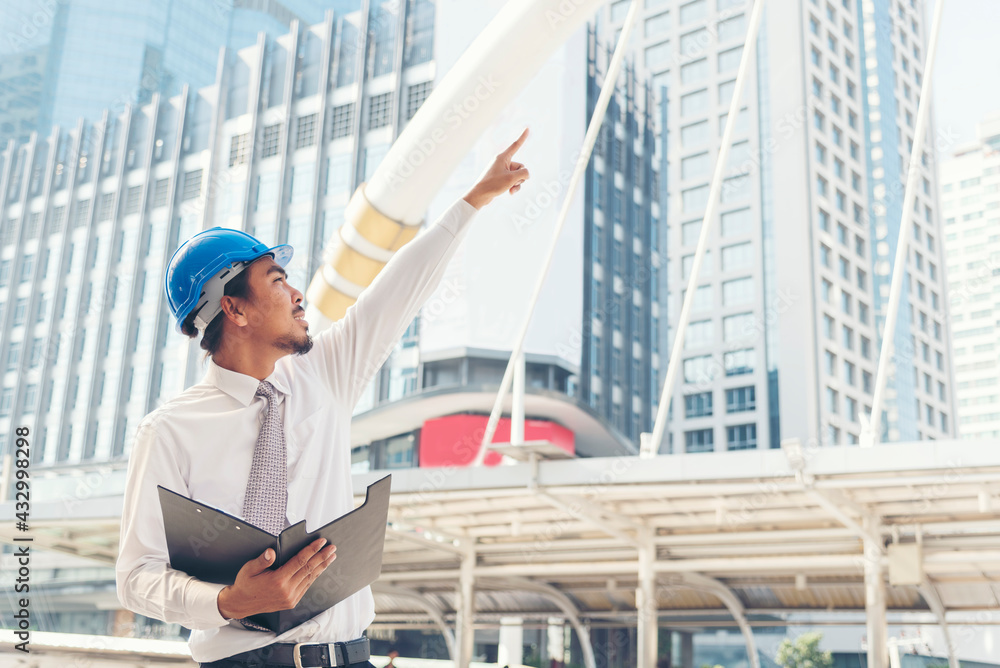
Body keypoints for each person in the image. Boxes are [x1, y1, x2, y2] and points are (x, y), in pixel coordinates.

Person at [115, 129, 531, 668]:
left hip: (346, 657)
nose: (298, 294)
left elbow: (398, 290)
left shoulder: (325, 375)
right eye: (277, 279)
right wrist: (227, 602)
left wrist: (474, 199)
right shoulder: (169, 430)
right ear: (235, 310)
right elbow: (136, 578)